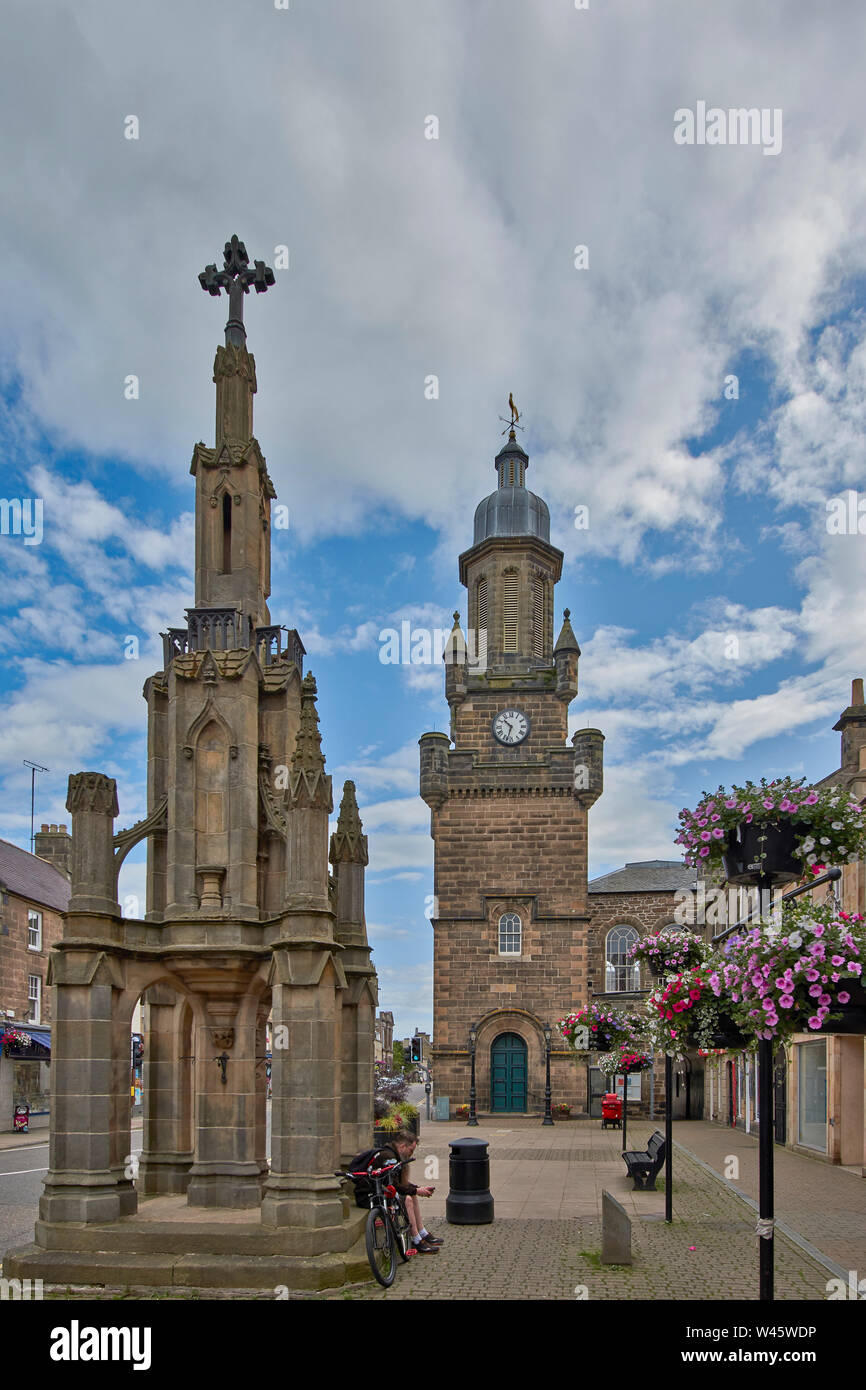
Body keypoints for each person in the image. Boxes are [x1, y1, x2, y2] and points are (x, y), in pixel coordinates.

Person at [358, 1129, 444, 1254]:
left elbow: (397, 1183)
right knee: (408, 1199)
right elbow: (394, 1185)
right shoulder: (389, 1158)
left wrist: (418, 1189)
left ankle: (422, 1233)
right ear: (403, 1146)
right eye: (411, 1150)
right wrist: (416, 1190)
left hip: (379, 1191)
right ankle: (416, 1240)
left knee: (412, 1195)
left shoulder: (393, 1155)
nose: (411, 1154)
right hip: (369, 1195)